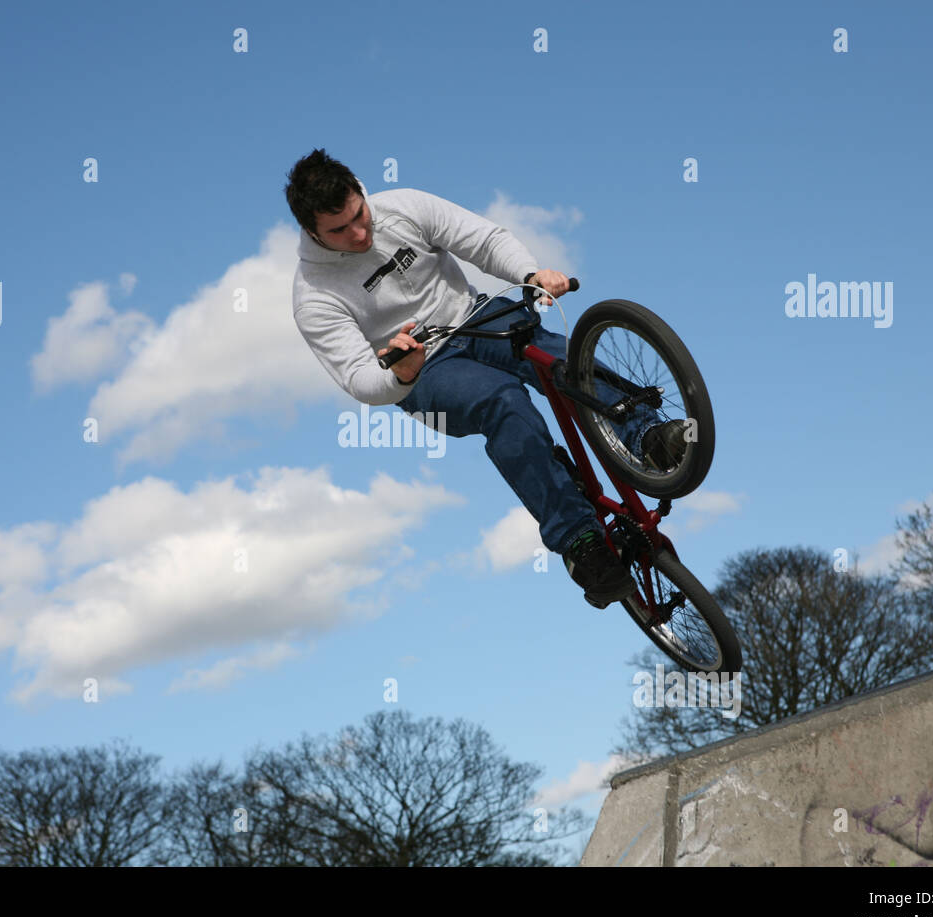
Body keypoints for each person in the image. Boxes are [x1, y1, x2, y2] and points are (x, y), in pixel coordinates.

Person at [284, 149, 687, 607]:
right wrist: (398, 373)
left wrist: (529, 273)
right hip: (424, 374)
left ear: (360, 191)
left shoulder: (403, 207)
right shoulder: (313, 296)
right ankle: (580, 543)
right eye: (339, 230)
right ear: (312, 232)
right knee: (502, 401)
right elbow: (358, 378)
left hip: (475, 317)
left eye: (360, 215)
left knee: (557, 358)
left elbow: (482, 239)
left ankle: (647, 436)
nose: (359, 233)